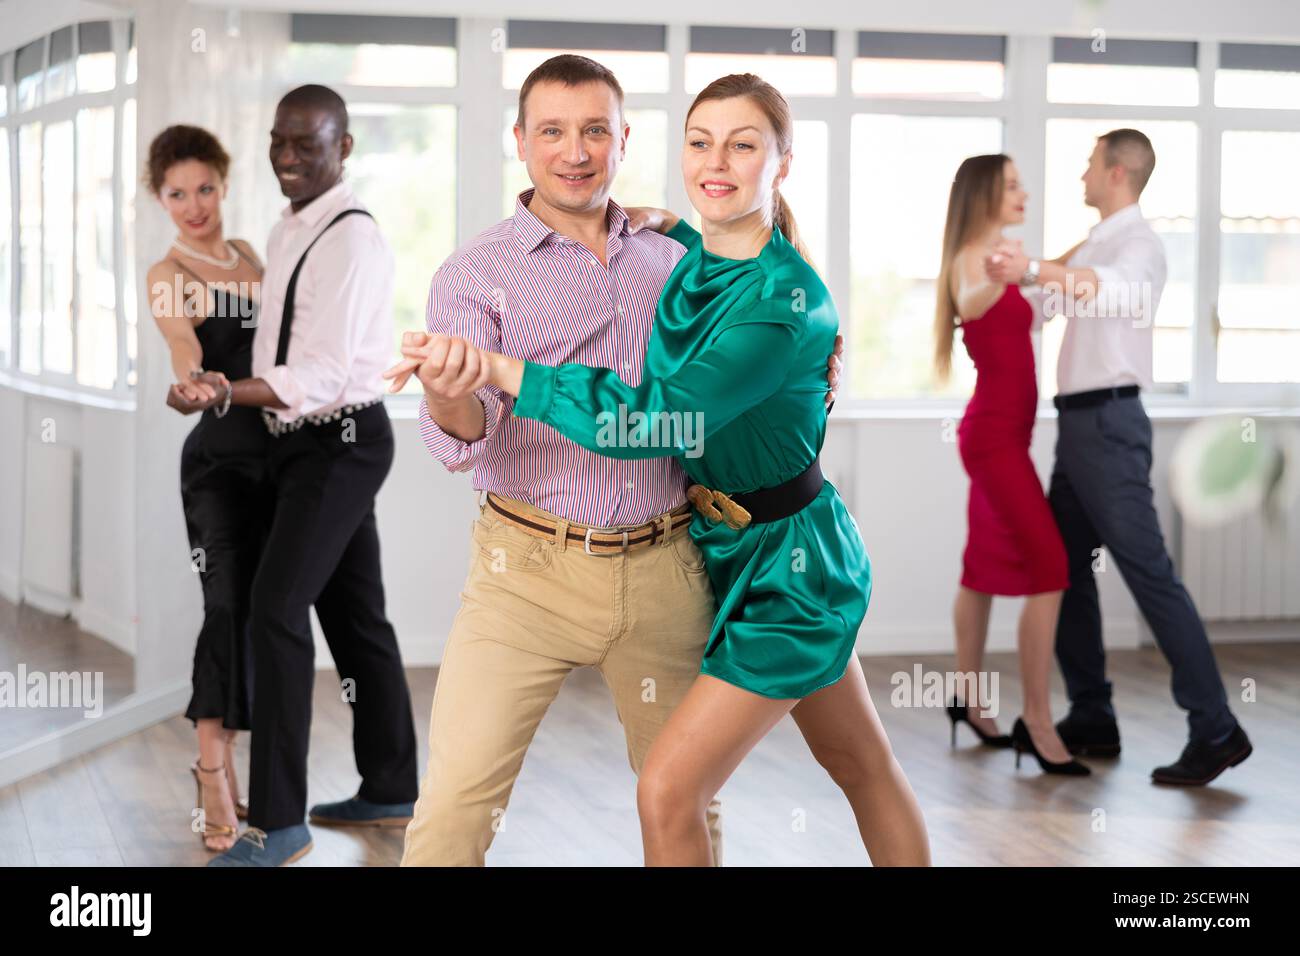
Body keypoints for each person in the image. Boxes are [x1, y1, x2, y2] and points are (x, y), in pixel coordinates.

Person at [391, 73, 928, 866]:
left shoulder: (758, 292)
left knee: (680, 791)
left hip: (751, 563)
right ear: (520, 142)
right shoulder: (672, 248)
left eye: (744, 145)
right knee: (856, 761)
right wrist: (449, 392)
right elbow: (463, 437)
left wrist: (508, 370)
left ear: (783, 160)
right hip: (597, 562)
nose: (574, 152)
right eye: (702, 142)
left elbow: (656, 419)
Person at [169, 85, 419, 865]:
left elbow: (318, 369)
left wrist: (222, 390)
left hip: (339, 440)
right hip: (301, 442)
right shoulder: (285, 229)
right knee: (354, 614)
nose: (287, 158)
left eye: (306, 144)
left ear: (342, 149)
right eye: (278, 142)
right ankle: (390, 785)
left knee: (277, 610)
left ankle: (278, 824)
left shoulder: (349, 240)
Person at [986, 128, 1252, 785]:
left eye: (1088, 163)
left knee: (1148, 574)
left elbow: (1107, 291)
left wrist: (1035, 270)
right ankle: (1094, 713)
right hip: (1078, 426)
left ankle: (1216, 727)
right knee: (1061, 566)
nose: (1080, 174)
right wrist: (1013, 271)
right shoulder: (1097, 241)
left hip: (1109, 423)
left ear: (1116, 173)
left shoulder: (1139, 244)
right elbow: (1044, 302)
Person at [933, 154, 1087, 775]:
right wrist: (1021, 271)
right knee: (1050, 568)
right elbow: (991, 287)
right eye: (1014, 185)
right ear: (984, 194)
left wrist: (1079, 248)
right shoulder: (978, 261)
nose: (1025, 192)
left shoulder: (1002, 256)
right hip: (994, 439)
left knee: (981, 567)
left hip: (1005, 437)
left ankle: (970, 700)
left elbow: (1039, 276)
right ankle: (1040, 723)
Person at [146, 125, 271, 850]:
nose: (193, 206)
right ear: (159, 199)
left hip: (277, 458)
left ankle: (248, 771)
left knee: (263, 612)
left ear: (223, 184)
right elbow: (182, 340)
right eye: (176, 194)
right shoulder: (170, 272)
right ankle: (211, 771)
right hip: (218, 463)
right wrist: (193, 378)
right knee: (224, 603)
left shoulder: (253, 256)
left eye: (204, 189)